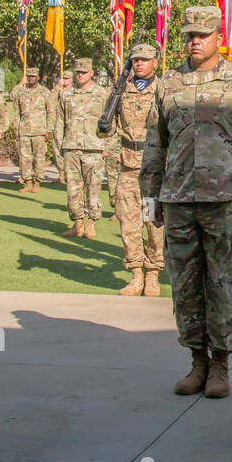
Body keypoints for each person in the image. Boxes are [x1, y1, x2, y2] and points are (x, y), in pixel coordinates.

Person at [141, 6, 232, 399]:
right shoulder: (167, 85)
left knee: (222, 283)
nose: (195, 40)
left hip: (227, 202)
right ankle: (196, 361)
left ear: (219, 36)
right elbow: (155, 144)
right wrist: (151, 197)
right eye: (189, 35)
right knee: (184, 285)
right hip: (180, 200)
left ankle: (221, 364)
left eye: (203, 34)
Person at [97, 43, 164, 297]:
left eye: (145, 60)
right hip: (127, 167)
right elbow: (108, 126)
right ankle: (135, 274)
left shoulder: (163, 90)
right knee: (129, 224)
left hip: (153, 168)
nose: (139, 64)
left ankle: (153, 274)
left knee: (153, 223)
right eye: (136, 60)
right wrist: (103, 125)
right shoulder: (119, 90)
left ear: (155, 62)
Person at [58, 59, 108, 238]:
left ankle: (91, 223)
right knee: (72, 189)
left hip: (94, 148)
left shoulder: (102, 94)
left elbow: (110, 123)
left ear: (92, 73)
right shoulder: (66, 94)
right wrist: (59, 146)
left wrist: (106, 145)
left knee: (94, 188)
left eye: (84, 72)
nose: (80, 75)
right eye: (78, 72)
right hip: (71, 146)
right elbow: (60, 121)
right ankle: (77, 223)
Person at [12, 66, 54, 192]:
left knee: (39, 158)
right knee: (24, 158)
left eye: (33, 76)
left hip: (39, 131)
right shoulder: (20, 92)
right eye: (29, 76)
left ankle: (37, 182)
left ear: (38, 78)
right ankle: (28, 182)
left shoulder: (45, 92)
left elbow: (51, 112)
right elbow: (16, 112)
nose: (31, 78)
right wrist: (16, 129)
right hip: (24, 131)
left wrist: (48, 130)